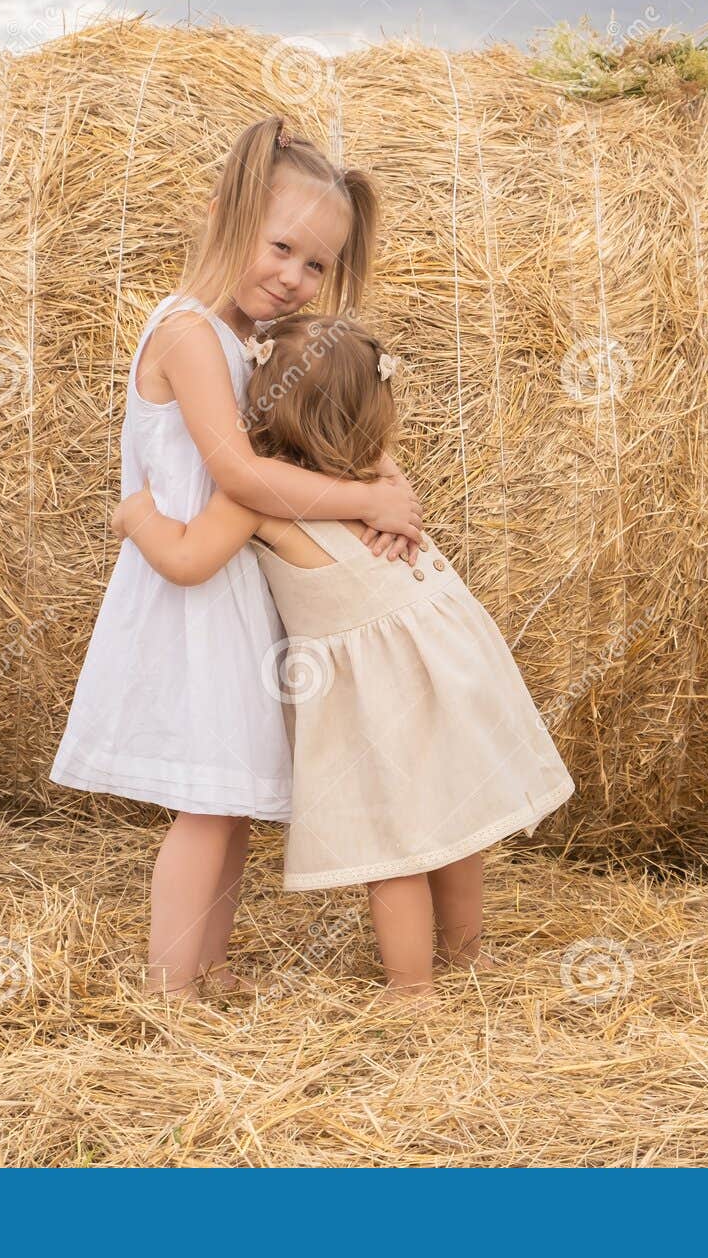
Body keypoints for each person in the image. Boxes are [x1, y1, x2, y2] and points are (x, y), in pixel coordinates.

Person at [51, 117, 424, 1001]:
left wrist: (388, 473)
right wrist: (370, 501)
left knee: (229, 803)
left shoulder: (243, 338)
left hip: (229, 593)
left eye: (316, 266)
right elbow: (242, 472)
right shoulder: (186, 333)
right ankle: (170, 993)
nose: (294, 278)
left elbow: (319, 432)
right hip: (188, 601)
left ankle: (204, 973)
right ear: (224, 215)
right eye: (281, 247)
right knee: (204, 805)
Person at [111, 312, 575, 999]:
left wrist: (138, 516)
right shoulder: (375, 478)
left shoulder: (258, 495)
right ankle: (465, 955)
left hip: (378, 694)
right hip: (452, 665)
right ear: (372, 416)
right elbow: (367, 439)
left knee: (396, 844)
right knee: (456, 822)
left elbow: (186, 560)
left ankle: (411, 986)